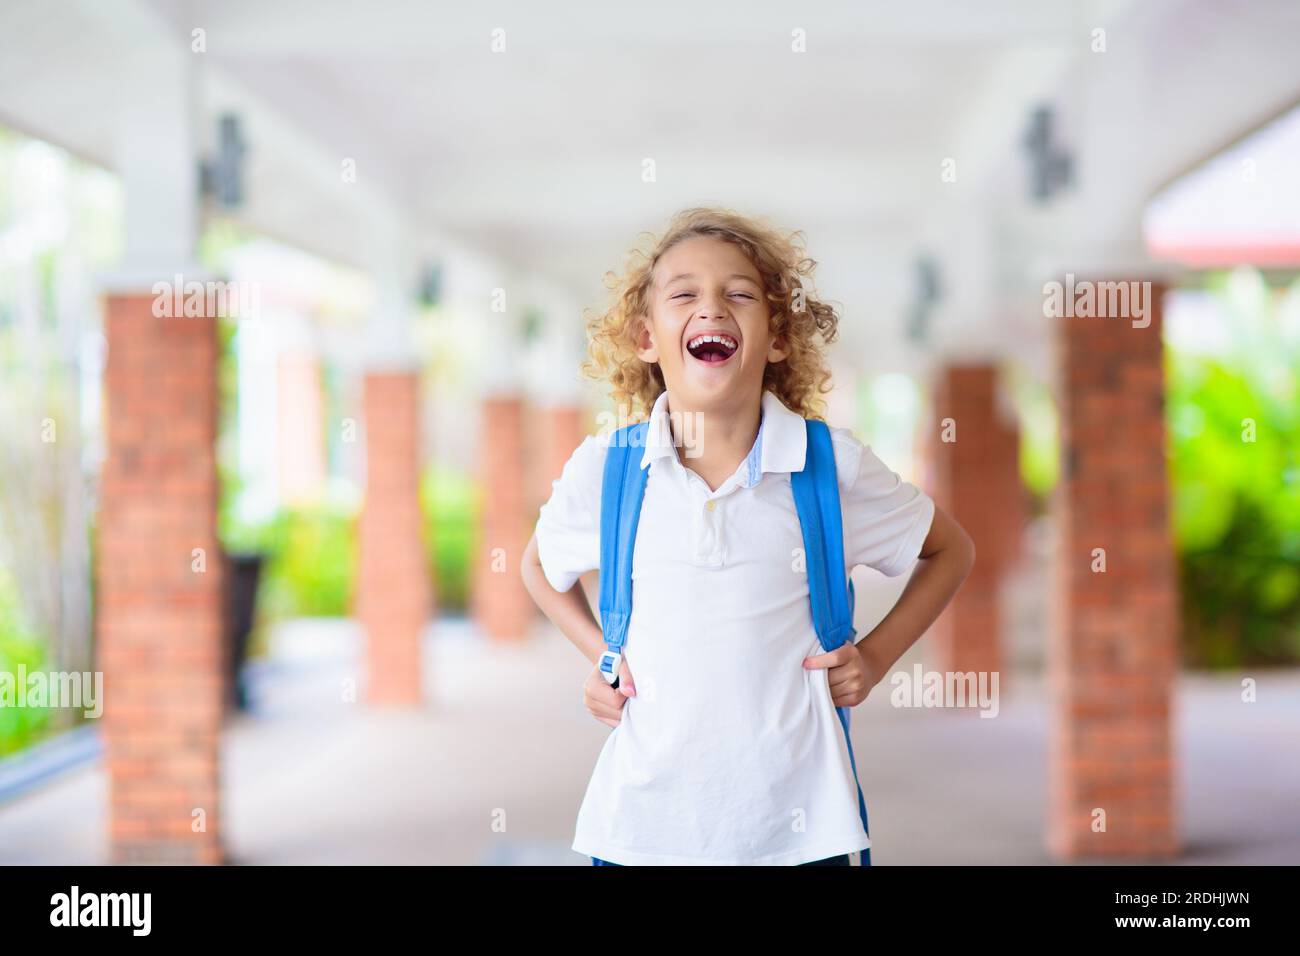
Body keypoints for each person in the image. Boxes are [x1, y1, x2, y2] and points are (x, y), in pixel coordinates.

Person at [520, 206, 975, 865]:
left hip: (799, 833)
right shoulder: (609, 468)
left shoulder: (829, 467)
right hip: (640, 830)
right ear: (647, 336)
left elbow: (950, 550)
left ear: (778, 338)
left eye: (739, 294)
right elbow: (538, 565)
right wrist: (604, 656)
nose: (711, 309)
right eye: (684, 295)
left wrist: (874, 660)